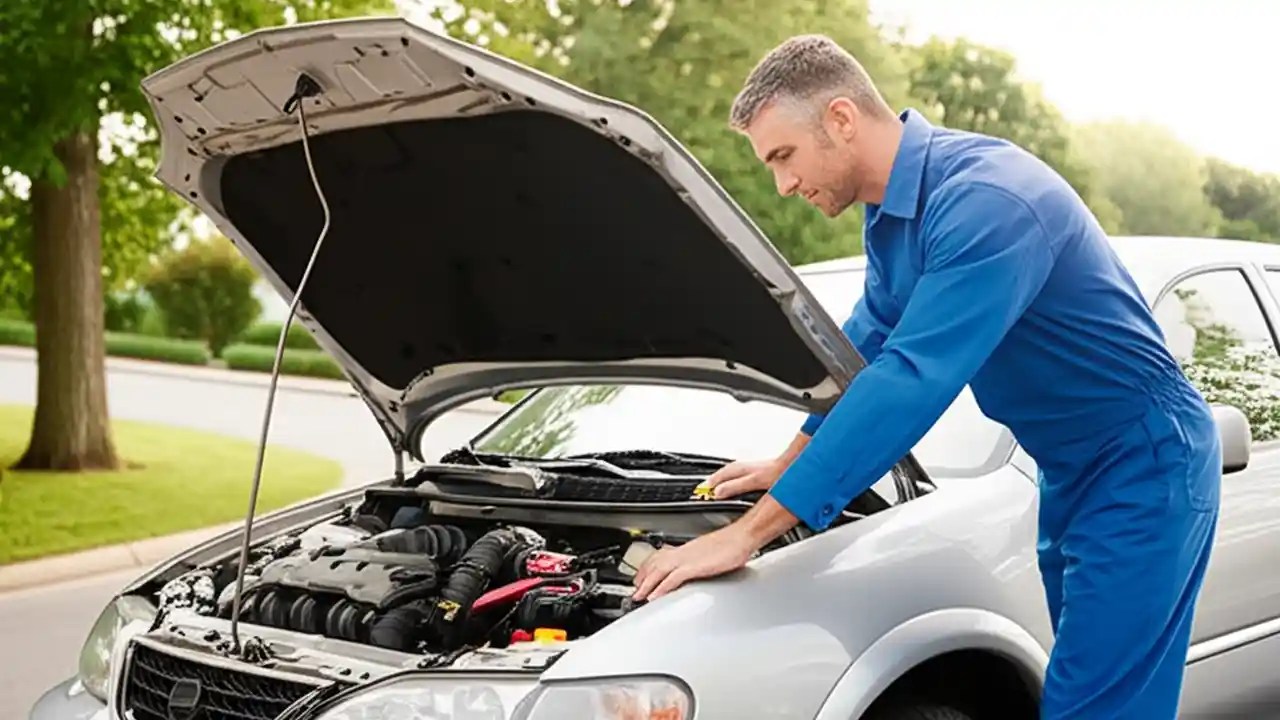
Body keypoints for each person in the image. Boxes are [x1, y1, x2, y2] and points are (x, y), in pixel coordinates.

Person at [630, 34, 1222, 719]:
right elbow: (865, 349)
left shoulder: (991, 201)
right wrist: (789, 458)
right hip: (1069, 470)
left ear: (842, 119)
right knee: (1086, 693)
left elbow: (910, 378)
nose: (783, 185)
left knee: (1096, 708)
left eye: (784, 157)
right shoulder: (892, 217)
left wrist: (749, 532)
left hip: (1144, 461)